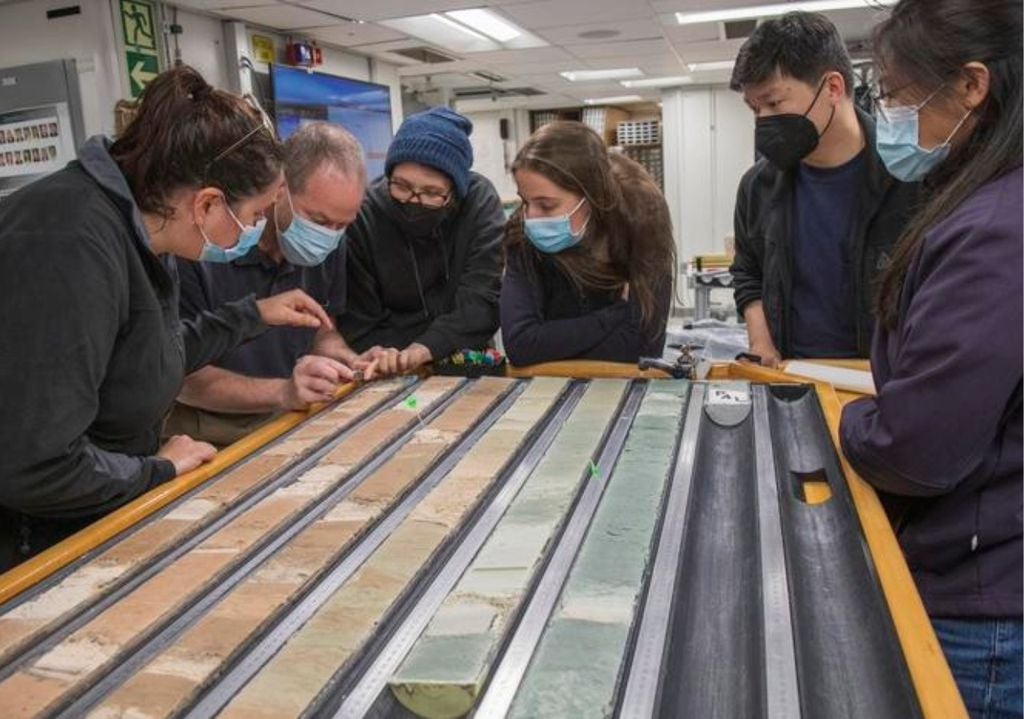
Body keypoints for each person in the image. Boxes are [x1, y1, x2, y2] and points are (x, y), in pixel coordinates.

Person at [0, 67, 333, 569]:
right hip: (30, 547)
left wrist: (253, 315)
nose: (260, 227)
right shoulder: (68, 244)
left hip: (92, 510)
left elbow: (145, 354)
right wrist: (155, 471)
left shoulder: (148, 229)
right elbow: (36, 465)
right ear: (207, 203)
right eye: (259, 213)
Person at [839, 2, 1022, 716]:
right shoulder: (986, 203)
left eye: (891, 92)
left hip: (984, 602)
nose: (885, 112)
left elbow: (918, 449)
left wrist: (852, 420)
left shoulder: (994, 231)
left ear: (971, 85)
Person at [728, 12, 920, 367]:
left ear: (832, 88)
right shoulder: (757, 187)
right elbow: (747, 271)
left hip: (884, 381)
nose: (763, 121)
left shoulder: (912, 177)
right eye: (754, 108)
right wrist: (760, 340)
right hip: (792, 374)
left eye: (774, 103)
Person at [169, 122, 369, 447]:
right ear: (279, 191)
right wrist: (283, 392)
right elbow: (184, 378)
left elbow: (320, 326)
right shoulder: (199, 249)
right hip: (208, 438)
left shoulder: (331, 243)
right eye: (318, 221)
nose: (328, 235)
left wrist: (347, 360)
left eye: (342, 225)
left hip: (291, 419)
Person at [339, 107, 504, 376]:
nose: (414, 201)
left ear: (456, 190)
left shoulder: (478, 202)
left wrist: (425, 348)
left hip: (467, 355)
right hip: (390, 366)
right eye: (401, 185)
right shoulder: (365, 215)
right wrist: (389, 355)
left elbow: (482, 300)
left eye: (431, 193)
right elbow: (358, 319)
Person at [500, 121, 675, 366]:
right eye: (525, 202)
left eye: (547, 205)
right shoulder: (521, 231)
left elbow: (644, 347)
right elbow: (521, 345)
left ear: (592, 195)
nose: (531, 218)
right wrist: (617, 314)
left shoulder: (642, 219)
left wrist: (553, 342)